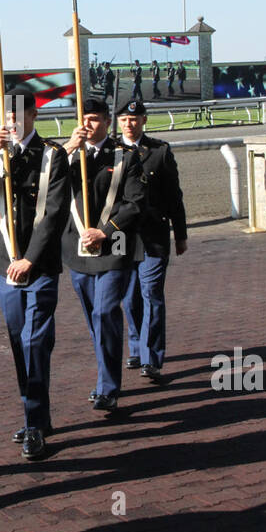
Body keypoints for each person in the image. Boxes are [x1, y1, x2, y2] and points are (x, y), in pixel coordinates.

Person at [0, 87, 70, 461]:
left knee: (35, 340)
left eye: (18, 114)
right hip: (6, 265)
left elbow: (54, 214)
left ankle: (34, 424)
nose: (12, 121)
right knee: (19, 341)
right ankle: (36, 411)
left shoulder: (52, 155)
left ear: (33, 115)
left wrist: (30, 259)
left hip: (40, 265)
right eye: (6, 114)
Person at [61, 96, 144, 414]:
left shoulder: (125, 156)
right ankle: (104, 372)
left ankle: (108, 387)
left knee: (105, 312)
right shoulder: (65, 156)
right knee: (94, 320)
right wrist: (70, 148)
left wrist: (105, 232)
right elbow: (44, 185)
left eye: (94, 118)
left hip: (113, 247)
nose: (87, 124)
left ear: (107, 123)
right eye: (83, 118)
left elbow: (134, 203)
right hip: (78, 249)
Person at [116, 98, 188, 382]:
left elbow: (174, 196)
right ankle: (136, 346)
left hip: (154, 237)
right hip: (121, 237)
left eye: (134, 119)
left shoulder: (159, 152)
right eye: (123, 119)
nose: (129, 124)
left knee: (152, 294)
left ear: (144, 120)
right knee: (128, 296)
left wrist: (180, 234)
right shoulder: (110, 152)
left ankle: (152, 356)